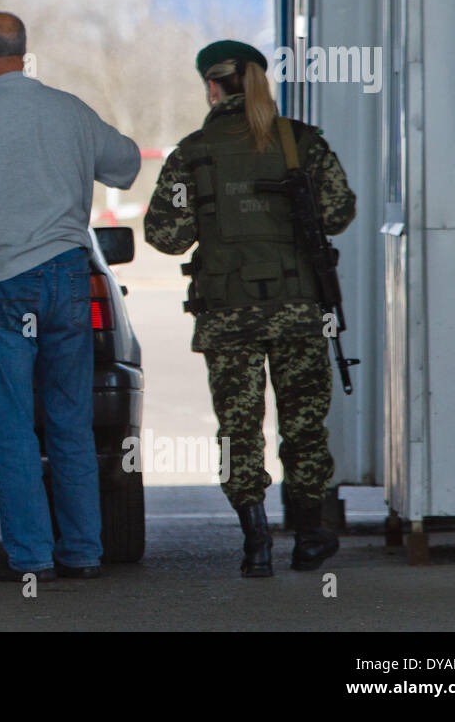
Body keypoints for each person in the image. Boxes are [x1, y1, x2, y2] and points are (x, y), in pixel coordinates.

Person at [0, 11, 141, 582]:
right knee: (71, 422)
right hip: (69, 280)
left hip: (0, 287)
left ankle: (31, 558)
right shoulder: (69, 110)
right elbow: (125, 163)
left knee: (11, 425)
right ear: (22, 53)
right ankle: (83, 554)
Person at [143, 39, 355, 577]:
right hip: (297, 311)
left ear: (211, 87)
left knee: (239, 428)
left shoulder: (192, 152)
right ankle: (309, 538)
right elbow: (339, 213)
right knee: (304, 425)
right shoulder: (300, 143)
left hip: (227, 315)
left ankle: (256, 543)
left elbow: (166, 236)